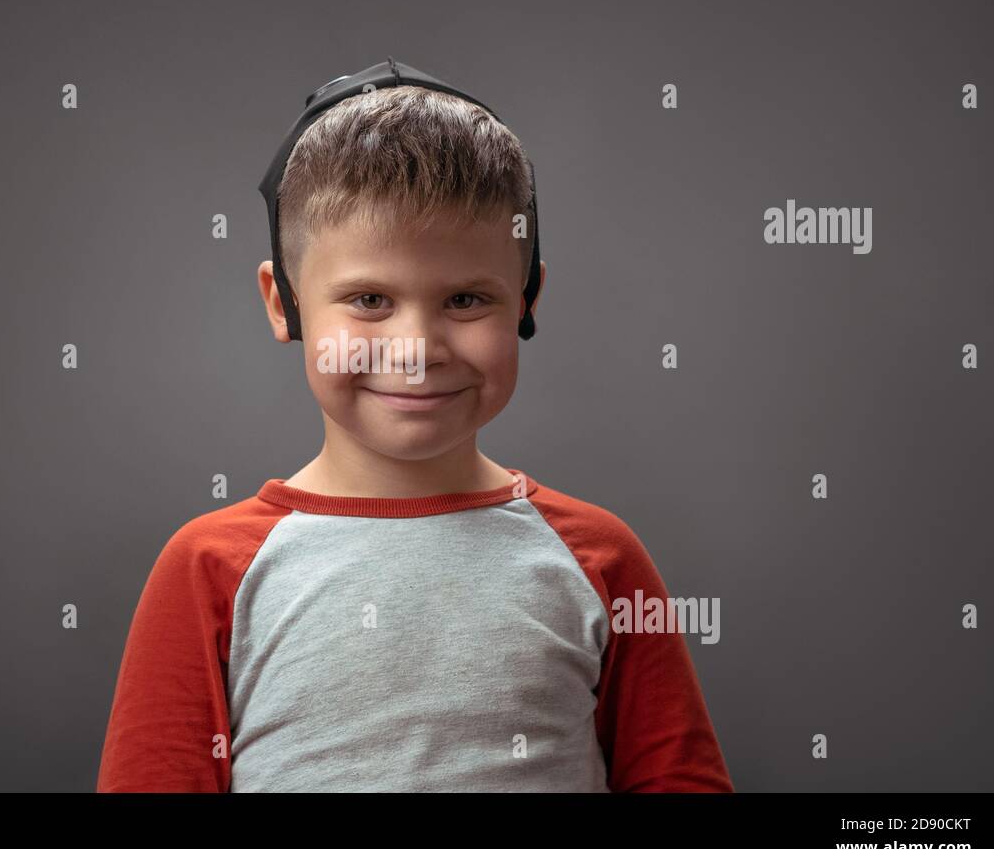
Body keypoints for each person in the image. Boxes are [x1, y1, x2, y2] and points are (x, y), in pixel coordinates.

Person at [96, 71, 733, 792]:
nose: (414, 348)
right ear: (286, 305)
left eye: (466, 299)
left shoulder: (601, 562)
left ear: (525, 302)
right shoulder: (209, 571)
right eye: (369, 299)